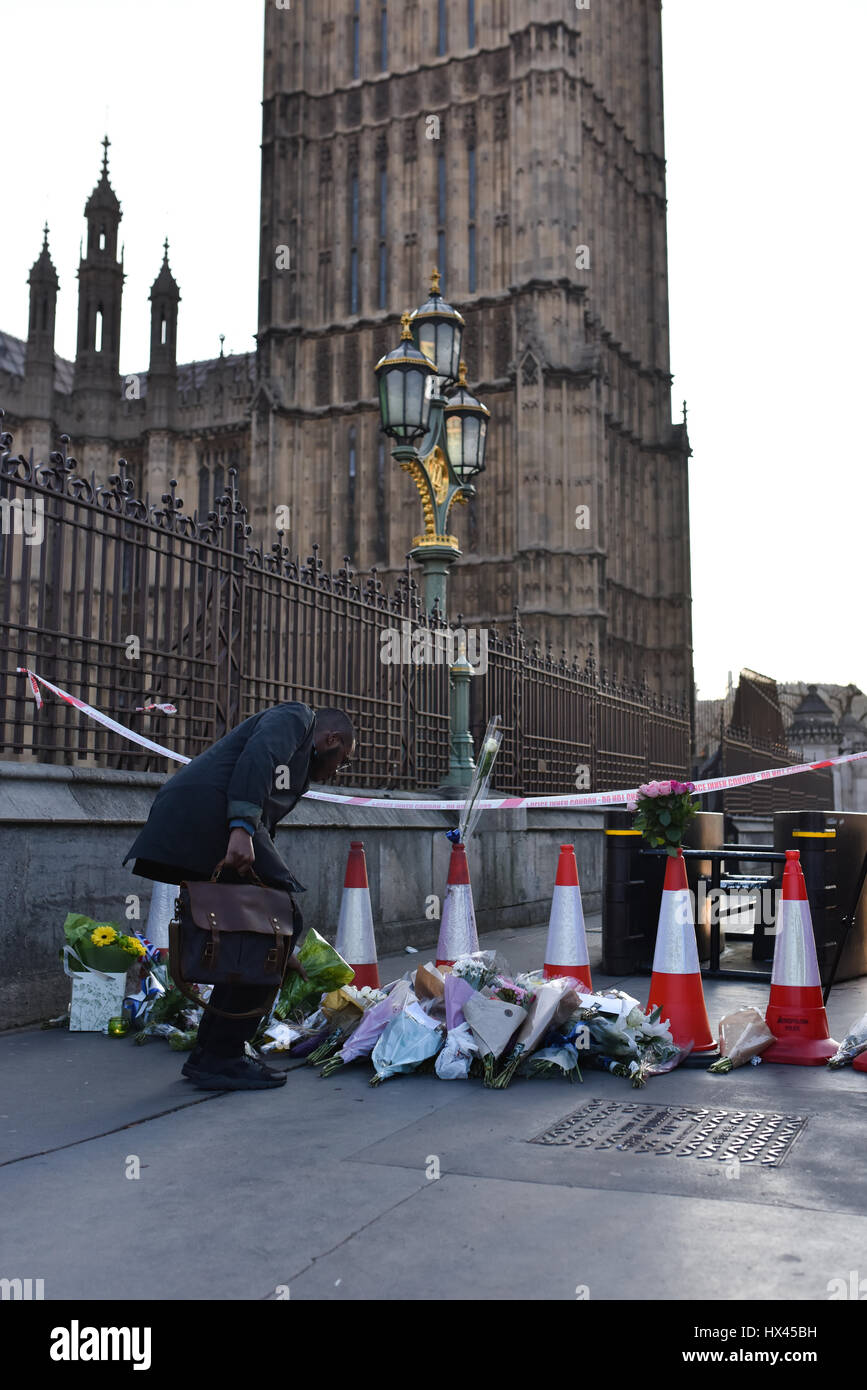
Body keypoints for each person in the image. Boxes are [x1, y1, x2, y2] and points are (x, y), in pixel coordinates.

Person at [124, 702, 355, 1090]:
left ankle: (213, 1053)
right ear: (331, 739)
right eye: (342, 760)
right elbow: (256, 759)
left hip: (203, 817)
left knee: (265, 924)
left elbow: (266, 809)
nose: (337, 770)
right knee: (278, 918)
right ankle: (221, 1055)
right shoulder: (296, 718)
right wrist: (240, 829)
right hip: (205, 816)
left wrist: (281, 950)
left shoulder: (298, 764)